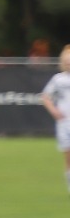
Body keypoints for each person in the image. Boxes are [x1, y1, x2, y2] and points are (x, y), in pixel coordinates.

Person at [41, 46, 70, 195]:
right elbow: (45, 96)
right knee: (68, 157)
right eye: (66, 61)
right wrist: (53, 111)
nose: (68, 64)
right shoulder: (58, 79)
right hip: (64, 124)